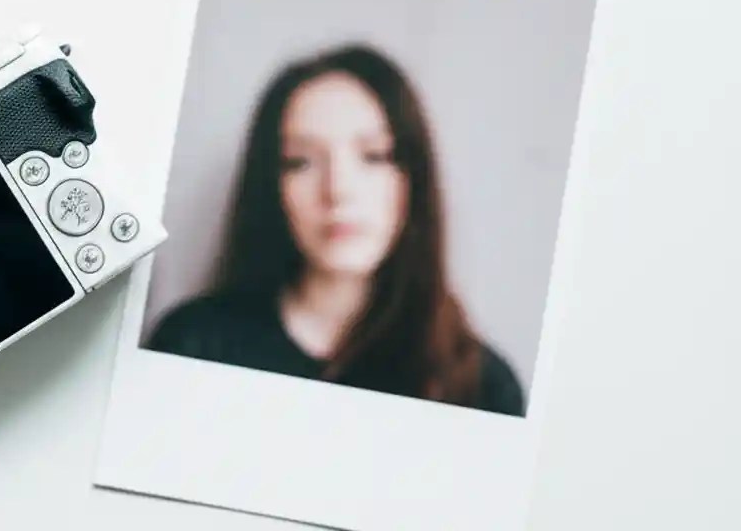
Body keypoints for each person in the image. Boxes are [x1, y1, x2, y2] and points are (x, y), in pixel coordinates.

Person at [146, 43, 525, 416]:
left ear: (414, 178)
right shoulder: (193, 344)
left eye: (374, 156)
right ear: (271, 185)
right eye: (301, 162)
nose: (338, 189)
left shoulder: (483, 388)